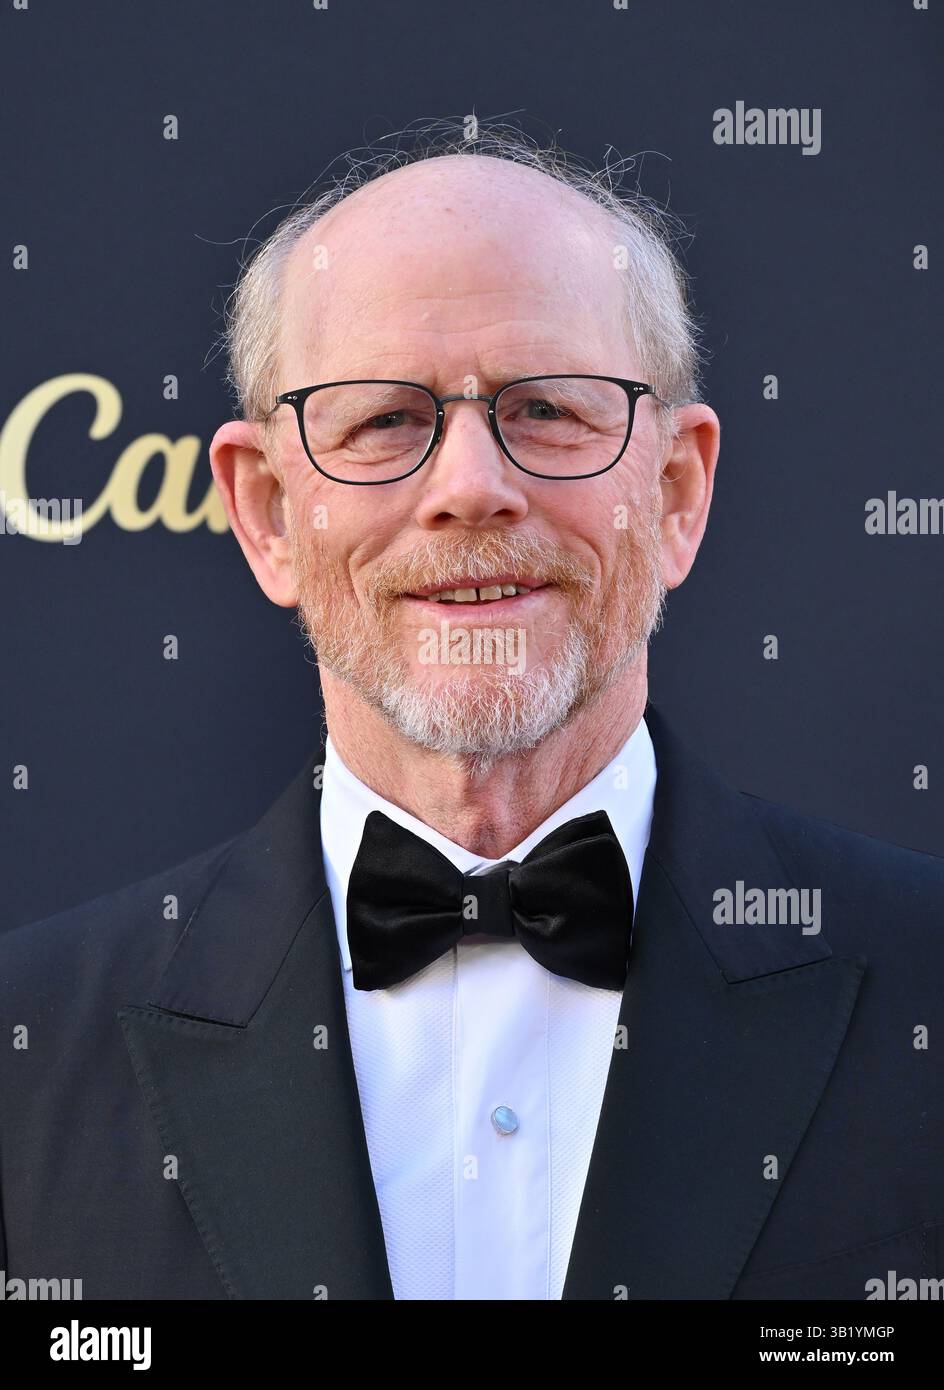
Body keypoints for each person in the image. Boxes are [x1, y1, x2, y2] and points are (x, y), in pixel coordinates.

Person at [2, 129, 942, 1302]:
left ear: (676, 492)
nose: (466, 488)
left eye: (545, 406)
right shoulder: (25, 1057)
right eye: (383, 421)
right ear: (266, 515)